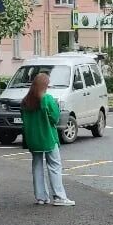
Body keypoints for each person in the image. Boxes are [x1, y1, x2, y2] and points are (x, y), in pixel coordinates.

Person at [20, 72, 74, 206]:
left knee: (37, 166)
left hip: (33, 139)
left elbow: (24, 119)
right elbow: (55, 118)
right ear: (45, 86)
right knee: (54, 165)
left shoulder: (25, 101)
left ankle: (41, 197)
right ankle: (59, 197)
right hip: (48, 137)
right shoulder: (47, 99)